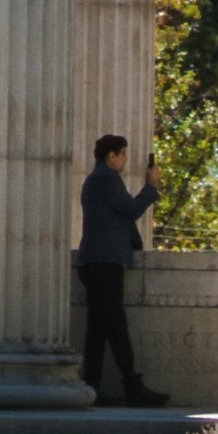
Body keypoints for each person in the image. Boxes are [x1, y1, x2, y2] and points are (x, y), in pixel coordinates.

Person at [74, 132, 155, 407]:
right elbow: (131, 209)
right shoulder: (106, 178)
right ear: (112, 156)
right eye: (123, 155)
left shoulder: (95, 179)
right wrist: (150, 187)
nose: (124, 161)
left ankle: (92, 386)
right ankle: (132, 386)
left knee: (98, 329)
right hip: (104, 264)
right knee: (116, 327)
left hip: (94, 263)